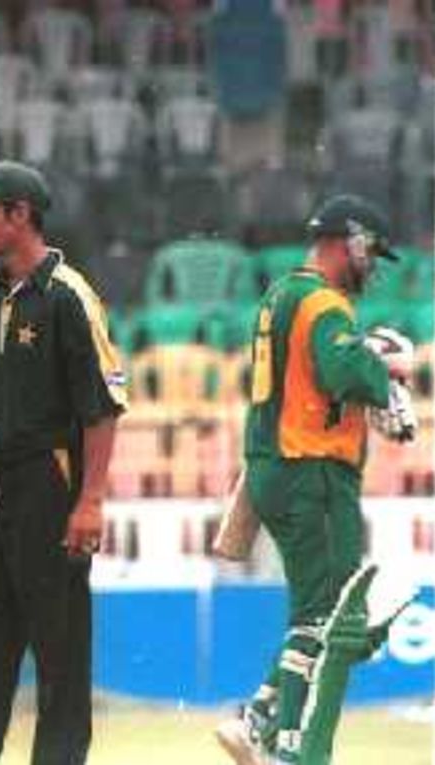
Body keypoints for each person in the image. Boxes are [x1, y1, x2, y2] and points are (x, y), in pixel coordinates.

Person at [215, 194, 414, 765]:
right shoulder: (324, 303)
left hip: (274, 468)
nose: (372, 266)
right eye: (370, 252)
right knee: (331, 615)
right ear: (348, 242)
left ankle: (260, 718)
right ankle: (288, 745)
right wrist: (384, 373)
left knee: (317, 612)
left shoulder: (280, 296)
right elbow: (342, 372)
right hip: (313, 469)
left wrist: (363, 358)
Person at [0, 161, 127, 765]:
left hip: (49, 484)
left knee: (60, 656)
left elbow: (102, 407)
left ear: (19, 215)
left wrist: (90, 501)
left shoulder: (69, 297)